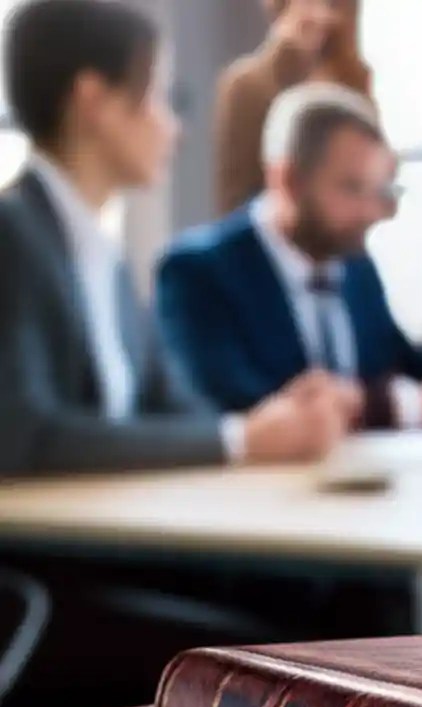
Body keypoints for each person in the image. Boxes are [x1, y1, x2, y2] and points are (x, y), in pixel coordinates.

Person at [0, 0, 356, 478]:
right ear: (93, 102)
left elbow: (167, 408)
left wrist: (270, 419)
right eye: (158, 98)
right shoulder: (13, 235)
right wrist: (240, 439)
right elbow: (26, 438)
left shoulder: (100, 252)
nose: (174, 127)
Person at [158, 83, 422, 429]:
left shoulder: (355, 264)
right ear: (288, 180)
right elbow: (236, 407)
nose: (373, 212)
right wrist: (405, 407)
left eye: (378, 190)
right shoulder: (196, 273)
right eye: (352, 188)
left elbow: (406, 362)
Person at [214, 0, 373, 215]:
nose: (321, 14)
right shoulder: (246, 85)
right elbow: (235, 202)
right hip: (274, 236)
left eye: (331, 4)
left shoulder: (352, 80)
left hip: (345, 239)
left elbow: (371, 177)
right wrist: (289, 55)